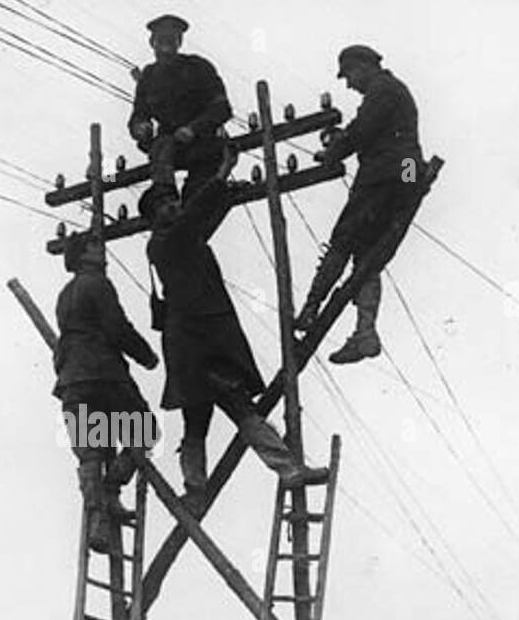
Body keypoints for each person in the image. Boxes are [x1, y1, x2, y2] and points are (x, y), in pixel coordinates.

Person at [141, 147, 330, 509]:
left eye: (172, 200)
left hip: (193, 346)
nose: (173, 206)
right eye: (165, 205)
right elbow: (195, 215)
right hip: (201, 346)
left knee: (196, 421)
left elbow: (198, 219)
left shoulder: (177, 240)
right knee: (239, 408)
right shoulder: (169, 241)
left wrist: (223, 193)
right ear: (154, 217)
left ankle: (195, 489)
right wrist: (222, 172)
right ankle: (288, 469)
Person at [295, 45, 425, 364]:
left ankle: (311, 307)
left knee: (344, 239)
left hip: (385, 172)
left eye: (350, 75)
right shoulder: (394, 91)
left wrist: (332, 152)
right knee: (368, 254)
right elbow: (382, 137)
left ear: (363, 66)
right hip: (408, 171)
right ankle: (365, 331)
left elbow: (362, 132)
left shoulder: (382, 89)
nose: (349, 84)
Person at [53, 232, 160, 554]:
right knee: (145, 431)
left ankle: (100, 511)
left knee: (91, 451)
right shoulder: (97, 284)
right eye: (96, 246)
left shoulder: (64, 293)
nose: (103, 252)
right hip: (103, 374)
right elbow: (116, 327)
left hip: (72, 381)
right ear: (85, 254)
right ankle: (112, 488)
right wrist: (147, 356)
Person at [128, 14, 233, 203]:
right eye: (161, 41)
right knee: (164, 197)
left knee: (198, 201)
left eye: (171, 41)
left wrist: (194, 128)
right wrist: (140, 127)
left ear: (179, 42)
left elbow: (222, 107)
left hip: (204, 144)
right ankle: (166, 200)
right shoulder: (149, 77)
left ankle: (190, 209)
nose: (165, 47)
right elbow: (139, 113)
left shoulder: (198, 67)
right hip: (168, 148)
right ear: (152, 43)